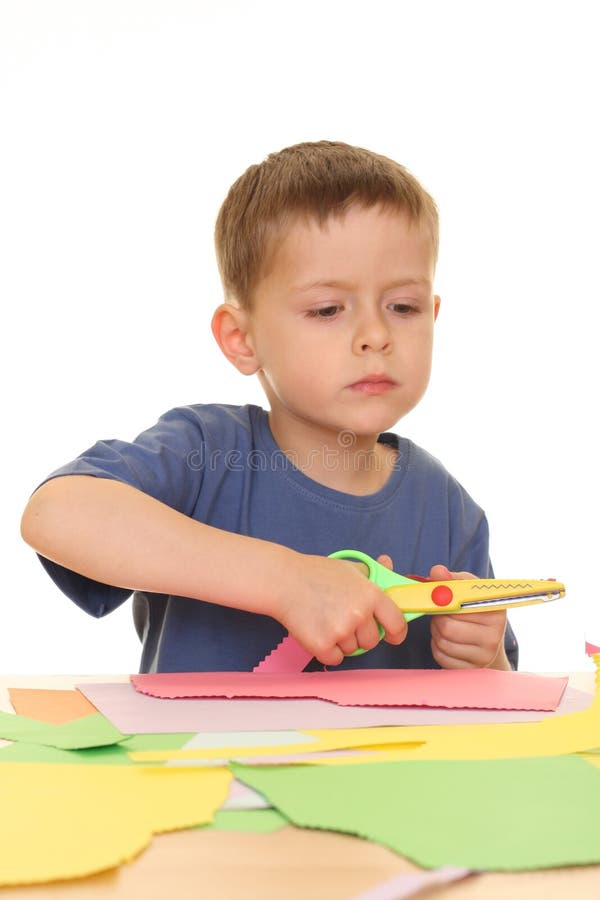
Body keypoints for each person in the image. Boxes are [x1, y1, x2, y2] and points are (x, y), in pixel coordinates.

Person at [20, 140, 518, 673]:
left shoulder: (447, 509)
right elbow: (54, 513)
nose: (376, 334)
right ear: (242, 339)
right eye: (327, 309)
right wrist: (286, 581)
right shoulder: (206, 454)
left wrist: (484, 657)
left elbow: (504, 695)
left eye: (403, 306)